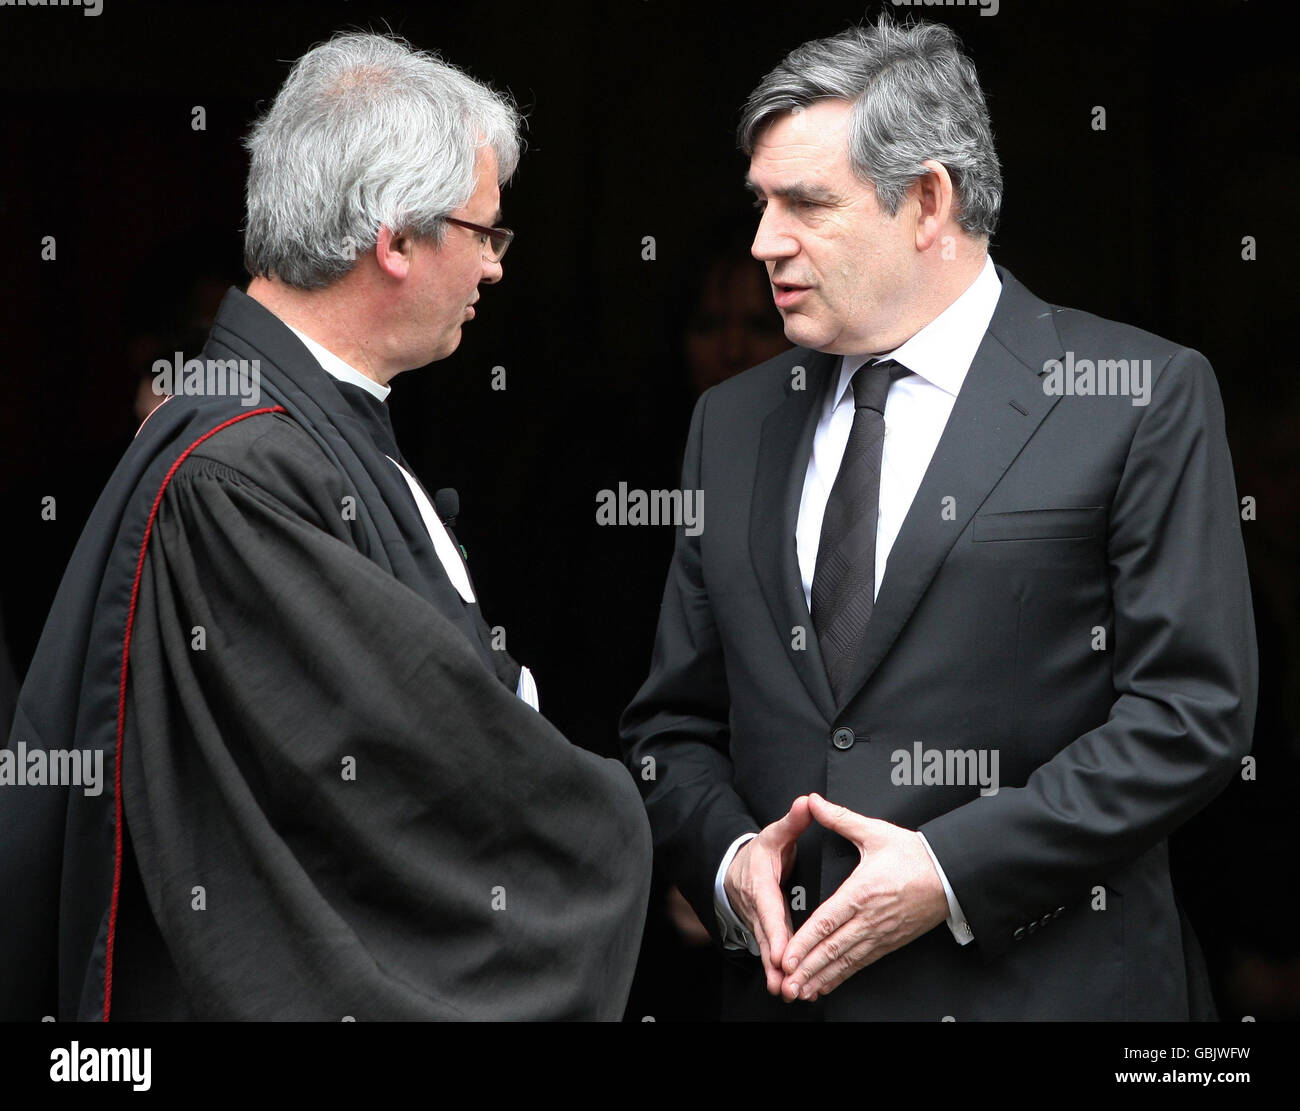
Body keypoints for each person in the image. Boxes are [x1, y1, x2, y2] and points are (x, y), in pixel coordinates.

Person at [0, 31, 650, 1022]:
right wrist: (633, 827)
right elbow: (407, 770)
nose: (495, 269)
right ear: (394, 238)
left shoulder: (307, 426)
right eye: (486, 233)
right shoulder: (240, 469)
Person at [620, 15, 1256, 1021]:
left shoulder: (1133, 394)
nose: (762, 243)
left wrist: (948, 870)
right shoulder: (730, 422)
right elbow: (672, 722)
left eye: (805, 204)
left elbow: (1191, 715)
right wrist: (730, 861)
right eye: (760, 202)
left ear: (927, 200)